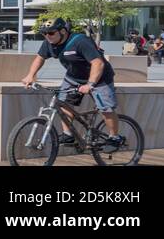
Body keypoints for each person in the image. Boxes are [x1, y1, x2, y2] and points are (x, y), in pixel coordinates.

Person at [21, 18, 123, 150]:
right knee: (63, 103)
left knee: (106, 109)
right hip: (74, 77)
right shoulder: (49, 43)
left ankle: (114, 137)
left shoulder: (80, 41)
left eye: (51, 33)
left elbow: (98, 63)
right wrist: (30, 75)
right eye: (44, 34)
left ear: (63, 31)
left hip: (100, 77)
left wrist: (90, 84)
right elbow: (39, 58)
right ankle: (68, 134)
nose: (47, 36)